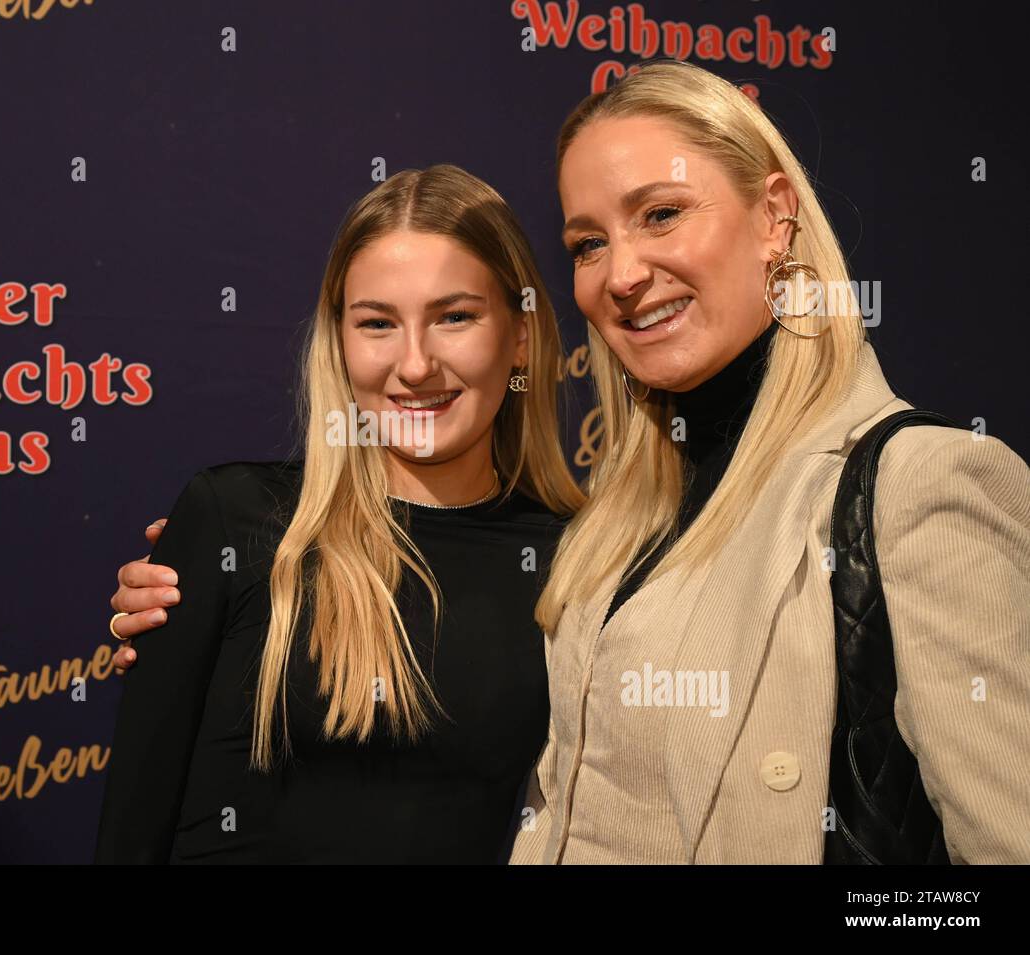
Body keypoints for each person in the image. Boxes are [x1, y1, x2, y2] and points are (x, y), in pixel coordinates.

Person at [107, 60, 1030, 864]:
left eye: (661, 214)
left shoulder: (918, 482)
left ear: (776, 215)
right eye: (590, 243)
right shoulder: (613, 536)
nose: (623, 272)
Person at [94, 164, 586, 863]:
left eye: (455, 317)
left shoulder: (578, 557)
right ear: (340, 339)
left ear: (521, 336)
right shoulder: (236, 520)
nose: (415, 364)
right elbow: (130, 830)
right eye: (378, 323)